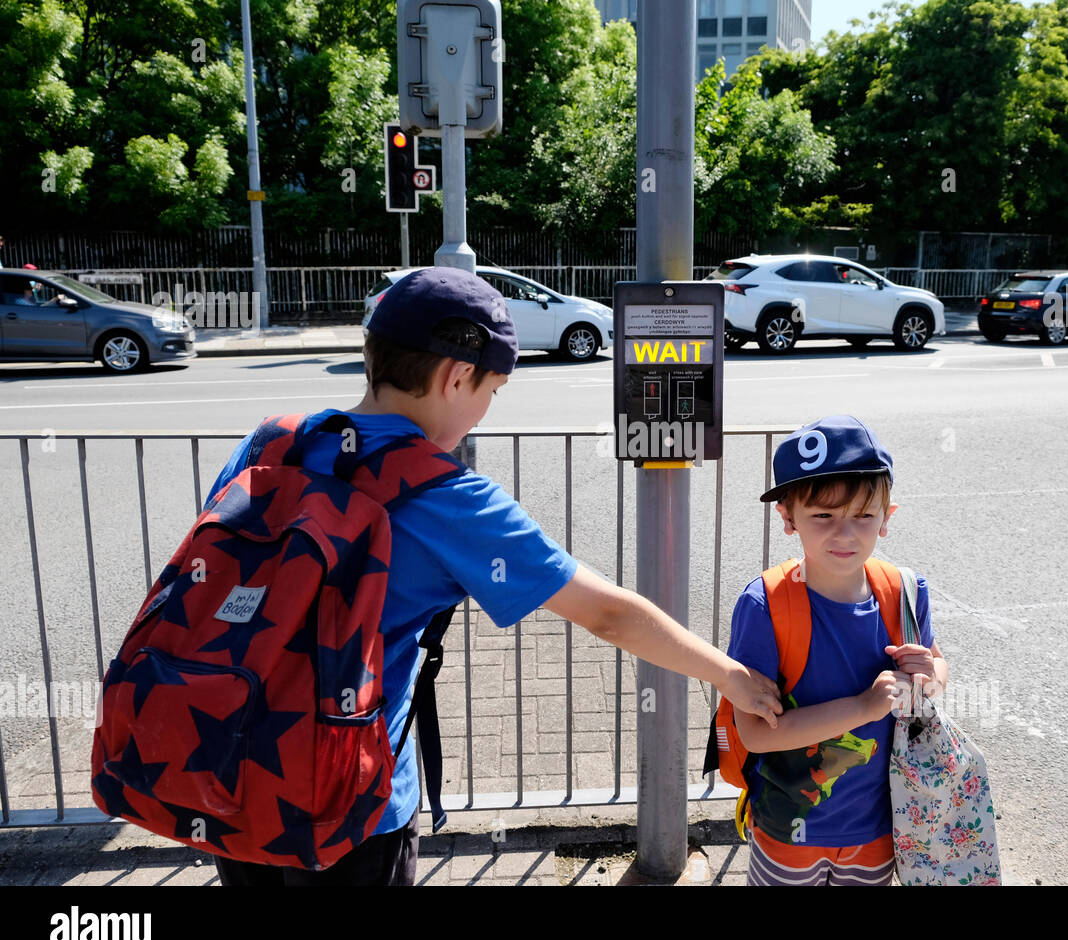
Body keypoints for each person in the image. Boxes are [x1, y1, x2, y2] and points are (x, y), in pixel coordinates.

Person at [201, 267, 782, 885]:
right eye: (492, 391)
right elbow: (609, 614)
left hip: (235, 772)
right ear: (456, 377)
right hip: (352, 809)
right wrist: (731, 676)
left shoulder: (272, 442)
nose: (483, 411)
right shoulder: (448, 497)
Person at [726, 416, 948, 886]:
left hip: (882, 826)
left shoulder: (905, 590)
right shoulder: (765, 604)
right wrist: (864, 707)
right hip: (789, 829)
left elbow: (934, 662)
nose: (845, 534)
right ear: (788, 518)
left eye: (863, 516)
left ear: (887, 517)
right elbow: (757, 734)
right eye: (823, 516)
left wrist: (930, 677)